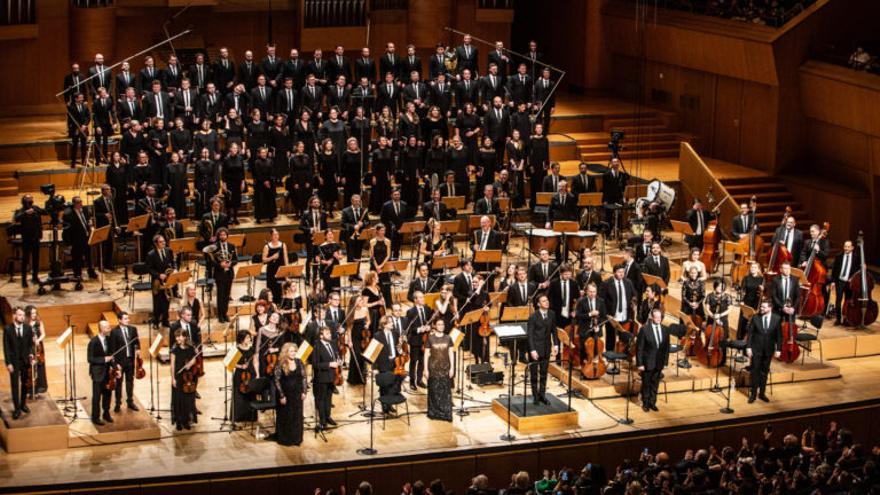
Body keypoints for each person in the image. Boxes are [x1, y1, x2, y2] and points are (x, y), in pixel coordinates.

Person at [747, 300, 781, 403]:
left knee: (764, 372)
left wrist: (778, 349)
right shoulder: (755, 317)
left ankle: (762, 393)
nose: (761, 309)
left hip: (768, 350)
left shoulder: (777, 318)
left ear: (770, 308)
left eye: (764, 307)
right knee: (755, 371)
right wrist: (749, 347)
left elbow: (779, 336)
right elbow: (750, 334)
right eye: (761, 307)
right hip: (756, 349)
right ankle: (753, 394)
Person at [274, 342, 307, 446]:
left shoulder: (299, 362)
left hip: (297, 394)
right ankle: (286, 439)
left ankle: (296, 439)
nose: (293, 353)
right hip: (286, 395)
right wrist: (281, 395)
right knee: (286, 416)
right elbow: (277, 380)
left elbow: (304, 377)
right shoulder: (280, 363)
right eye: (291, 351)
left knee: (297, 416)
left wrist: (304, 391)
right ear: (286, 352)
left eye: (294, 351)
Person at [527, 295, 558, 405]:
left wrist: (556, 344)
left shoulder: (552, 314)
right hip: (535, 349)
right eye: (544, 301)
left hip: (546, 348)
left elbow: (554, 330)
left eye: (547, 300)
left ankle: (542, 395)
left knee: (544, 373)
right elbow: (530, 335)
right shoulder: (533, 317)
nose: (547, 302)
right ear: (538, 304)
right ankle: (535, 396)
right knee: (534, 374)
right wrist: (532, 350)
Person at [637, 309, 670, 412]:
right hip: (647, 362)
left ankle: (652, 403)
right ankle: (645, 403)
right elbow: (639, 348)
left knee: (655, 384)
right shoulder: (644, 329)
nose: (659, 319)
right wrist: (640, 363)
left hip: (659, 362)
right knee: (646, 384)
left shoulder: (665, 329)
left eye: (660, 317)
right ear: (652, 317)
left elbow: (666, 348)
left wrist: (665, 362)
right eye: (656, 317)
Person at [602, 264, 637, 358]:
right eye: (619, 272)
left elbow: (634, 294)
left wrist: (634, 302)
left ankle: (623, 354)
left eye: (623, 272)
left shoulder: (628, 282)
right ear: (614, 273)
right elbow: (602, 300)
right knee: (610, 336)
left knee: (624, 336)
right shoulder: (607, 283)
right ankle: (609, 355)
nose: (621, 274)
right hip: (612, 316)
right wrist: (606, 314)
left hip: (625, 314)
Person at [4, 307, 34, 420]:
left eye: (23, 315)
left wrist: (31, 354)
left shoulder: (28, 328)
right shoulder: (8, 329)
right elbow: (6, 348)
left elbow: (30, 345)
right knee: (15, 385)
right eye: (20, 315)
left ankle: (23, 404)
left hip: (25, 361)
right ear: (14, 316)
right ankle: (16, 409)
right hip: (14, 362)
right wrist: (8, 363)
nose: (22, 317)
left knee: (25, 384)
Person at [63, 196, 98, 288]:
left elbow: (88, 219)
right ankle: (78, 274)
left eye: (81, 202)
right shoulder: (68, 215)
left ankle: (91, 272)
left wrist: (90, 223)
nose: (81, 204)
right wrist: (69, 244)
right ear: (74, 204)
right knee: (77, 258)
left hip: (86, 237)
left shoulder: (85, 210)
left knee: (89, 256)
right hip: (76, 240)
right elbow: (66, 231)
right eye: (79, 202)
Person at [424, 320, 454, 422]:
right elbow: (426, 355)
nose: (441, 326)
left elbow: (451, 354)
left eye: (443, 324)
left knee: (445, 391)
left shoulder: (448, 338)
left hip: (445, 368)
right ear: (435, 326)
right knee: (433, 391)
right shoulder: (430, 339)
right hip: (433, 368)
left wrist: (452, 368)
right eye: (439, 324)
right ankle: (434, 413)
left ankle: (446, 414)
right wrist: (425, 369)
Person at [87, 320, 116, 426]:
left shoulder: (108, 339)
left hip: (108, 372)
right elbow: (90, 359)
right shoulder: (93, 342)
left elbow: (111, 355)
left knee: (107, 394)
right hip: (97, 373)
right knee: (97, 396)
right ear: (102, 329)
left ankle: (106, 413)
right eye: (108, 328)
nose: (110, 329)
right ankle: (95, 417)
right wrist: (104, 359)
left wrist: (115, 367)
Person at [110, 312, 140, 412]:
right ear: (119, 320)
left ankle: (130, 401)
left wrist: (138, 349)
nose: (128, 320)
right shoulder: (114, 332)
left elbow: (136, 342)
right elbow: (112, 349)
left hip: (130, 360)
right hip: (120, 362)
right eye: (125, 319)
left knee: (130, 382)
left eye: (128, 318)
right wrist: (115, 364)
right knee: (119, 383)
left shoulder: (133, 329)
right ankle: (118, 403)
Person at [373, 316, 403, 414]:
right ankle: (384, 407)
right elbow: (375, 353)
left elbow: (397, 348)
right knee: (384, 386)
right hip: (383, 363)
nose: (392, 324)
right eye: (390, 322)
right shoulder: (377, 335)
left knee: (392, 385)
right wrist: (375, 367)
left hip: (394, 363)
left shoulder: (395, 333)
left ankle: (390, 405)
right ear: (384, 324)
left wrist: (400, 349)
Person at [13, 195, 45, 288]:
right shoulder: (21, 210)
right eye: (28, 199)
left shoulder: (35, 208)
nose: (31, 200)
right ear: (24, 201)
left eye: (31, 199)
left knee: (36, 259)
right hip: (27, 239)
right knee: (25, 260)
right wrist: (25, 213)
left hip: (36, 238)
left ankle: (35, 277)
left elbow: (44, 212)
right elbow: (16, 218)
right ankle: (24, 280)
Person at [312, 326, 340, 430]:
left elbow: (335, 357)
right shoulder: (317, 347)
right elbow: (315, 365)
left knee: (329, 399)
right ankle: (322, 421)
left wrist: (338, 361)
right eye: (327, 333)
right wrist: (329, 364)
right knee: (321, 400)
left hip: (331, 377)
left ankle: (328, 417)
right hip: (321, 378)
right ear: (321, 336)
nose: (330, 335)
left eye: (330, 333)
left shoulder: (332, 343)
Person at [170, 328, 197, 430]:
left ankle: (186, 421)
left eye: (179, 336)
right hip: (178, 377)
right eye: (176, 337)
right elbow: (172, 365)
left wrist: (190, 364)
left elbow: (194, 359)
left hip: (188, 377)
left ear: (185, 337)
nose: (177, 338)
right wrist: (173, 378)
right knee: (178, 400)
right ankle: (178, 421)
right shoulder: (174, 350)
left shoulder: (190, 348)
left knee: (187, 399)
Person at [407, 291, 434, 390]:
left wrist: (429, 327)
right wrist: (419, 329)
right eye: (421, 297)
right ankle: (412, 381)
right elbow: (409, 328)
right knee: (414, 361)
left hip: (425, 340)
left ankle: (419, 380)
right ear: (415, 300)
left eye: (423, 297)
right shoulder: (411, 312)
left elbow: (430, 321)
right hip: (415, 340)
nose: (423, 299)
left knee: (422, 361)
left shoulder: (427, 309)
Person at [146, 235, 175, 327]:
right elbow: (149, 269)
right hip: (157, 281)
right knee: (157, 302)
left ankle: (165, 321)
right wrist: (159, 275)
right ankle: (156, 322)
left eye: (164, 241)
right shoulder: (151, 254)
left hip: (167, 279)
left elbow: (173, 262)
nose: (164, 243)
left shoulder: (168, 250)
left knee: (167, 301)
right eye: (161, 242)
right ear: (156, 244)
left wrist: (175, 269)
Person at [575, 283, 607, 364]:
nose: (592, 294)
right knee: (584, 351)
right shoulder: (581, 301)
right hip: (584, 330)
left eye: (594, 292)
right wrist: (590, 314)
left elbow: (604, 317)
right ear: (587, 291)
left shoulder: (601, 301)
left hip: (596, 330)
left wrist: (599, 326)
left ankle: (594, 367)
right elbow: (578, 316)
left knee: (596, 350)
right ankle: (584, 368)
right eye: (590, 291)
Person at [341, 194, 369, 281]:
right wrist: (353, 226)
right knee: (350, 256)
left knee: (358, 256)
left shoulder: (363, 210)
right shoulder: (346, 211)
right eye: (355, 201)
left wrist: (362, 224)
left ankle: (356, 273)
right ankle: (351, 274)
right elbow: (343, 223)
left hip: (360, 236)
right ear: (352, 201)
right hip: (350, 236)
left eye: (358, 201)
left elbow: (368, 221)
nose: (357, 203)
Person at [213, 228, 238, 323]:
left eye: (224, 234)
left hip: (229, 273)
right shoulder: (214, 247)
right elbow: (211, 261)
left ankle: (225, 313)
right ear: (218, 236)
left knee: (227, 295)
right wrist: (220, 265)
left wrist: (230, 264)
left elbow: (236, 260)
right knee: (220, 295)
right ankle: (220, 315)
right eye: (221, 235)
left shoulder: (232, 246)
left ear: (227, 235)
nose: (223, 236)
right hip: (219, 273)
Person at [832, 240, 858, 326]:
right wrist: (833, 281)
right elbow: (834, 269)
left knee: (847, 301)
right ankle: (838, 319)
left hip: (849, 283)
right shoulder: (839, 256)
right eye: (845, 246)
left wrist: (853, 278)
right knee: (838, 300)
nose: (846, 248)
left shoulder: (856, 257)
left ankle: (846, 319)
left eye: (848, 247)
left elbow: (857, 270)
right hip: (840, 281)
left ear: (852, 248)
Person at [346, 295, 371, 385]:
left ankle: (362, 377)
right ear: (354, 303)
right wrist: (349, 341)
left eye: (361, 300)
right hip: (355, 337)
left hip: (364, 337)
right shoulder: (351, 312)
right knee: (355, 356)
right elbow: (349, 329)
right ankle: (353, 379)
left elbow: (368, 320)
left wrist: (367, 325)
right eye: (359, 300)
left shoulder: (365, 310)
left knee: (362, 357)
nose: (361, 302)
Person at [24, 306, 47, 394]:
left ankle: (40, 387)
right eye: (32, 313)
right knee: (30, 366)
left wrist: (38, 340)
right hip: (29, 347)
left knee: (39, 365)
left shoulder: (39, 322)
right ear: (28, 314)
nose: (34, 314)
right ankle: (30, 388)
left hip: (38, 347)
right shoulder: (25, 323)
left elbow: (43, 334)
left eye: (35, 313)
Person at [262, 228, 288, 302]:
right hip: (271, 272)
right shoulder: (267, 247)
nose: (276, 236)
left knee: (281, 291)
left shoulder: (283, 245)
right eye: (274, 235)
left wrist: (287, 272)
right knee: (272, 290)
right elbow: (263, 260)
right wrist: (272, 257)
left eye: (277, 234)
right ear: (271, 236)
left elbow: (286, 259)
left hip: (281, 271)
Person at [252, 146, 277, 223]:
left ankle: (271, 216)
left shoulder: (270, 161)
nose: (264, 154)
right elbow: (257, 173)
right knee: (260, 201)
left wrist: (269, 180)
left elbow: (273, 172)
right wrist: (264, 181)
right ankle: (259, 218)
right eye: (262, 153)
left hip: (270, 183)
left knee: (270, 200)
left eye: (265, 152)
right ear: (259, 154)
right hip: (260, 184)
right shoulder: (257, 162)